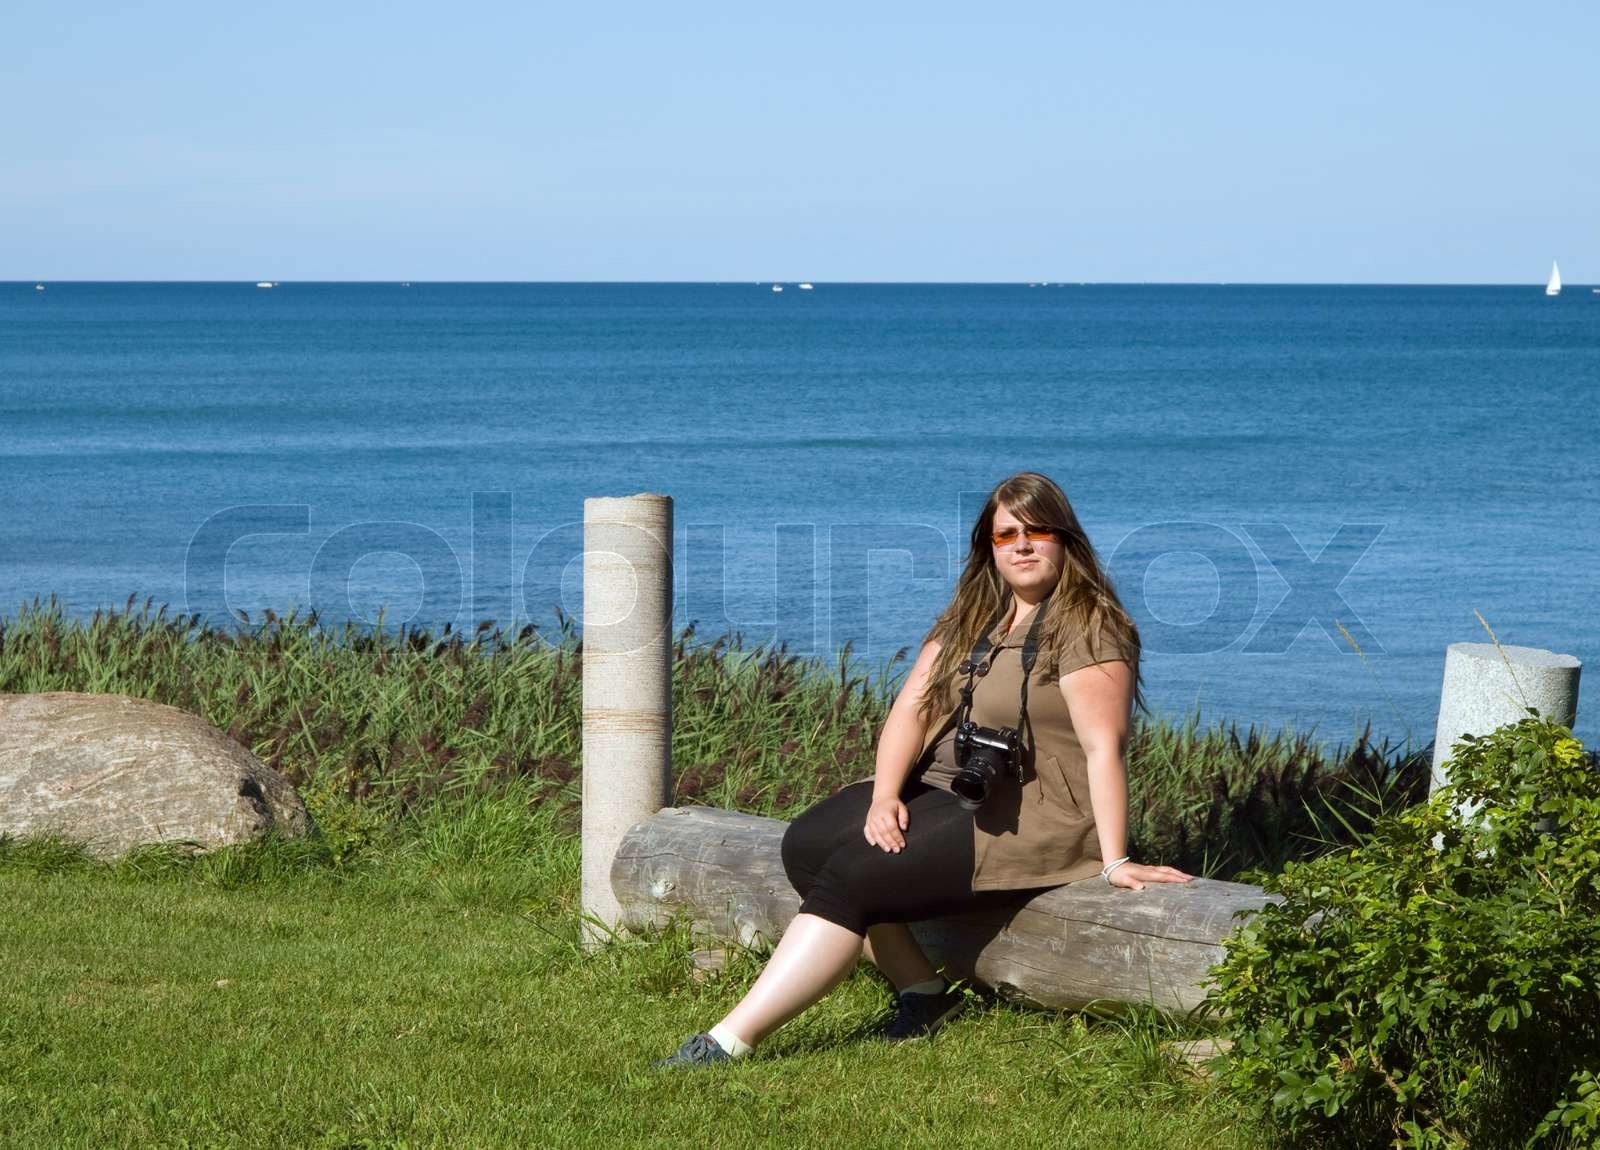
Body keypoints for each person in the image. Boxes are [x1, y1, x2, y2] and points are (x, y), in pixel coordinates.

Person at [653, 471, 1193, 1069]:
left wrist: (1114, 858)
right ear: (989, 548)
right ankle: (925, 993)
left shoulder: (1090, 626)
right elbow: (913, 708)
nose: (1022, 545)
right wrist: (885, 794)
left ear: (1066, 539)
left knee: (855, 876)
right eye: (1005, 534)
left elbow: (1103, 749)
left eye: (1037, 530)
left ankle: (728, 1041)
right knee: (808, 844)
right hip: (949, 785)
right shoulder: (973, 617)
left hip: (1035, 811)